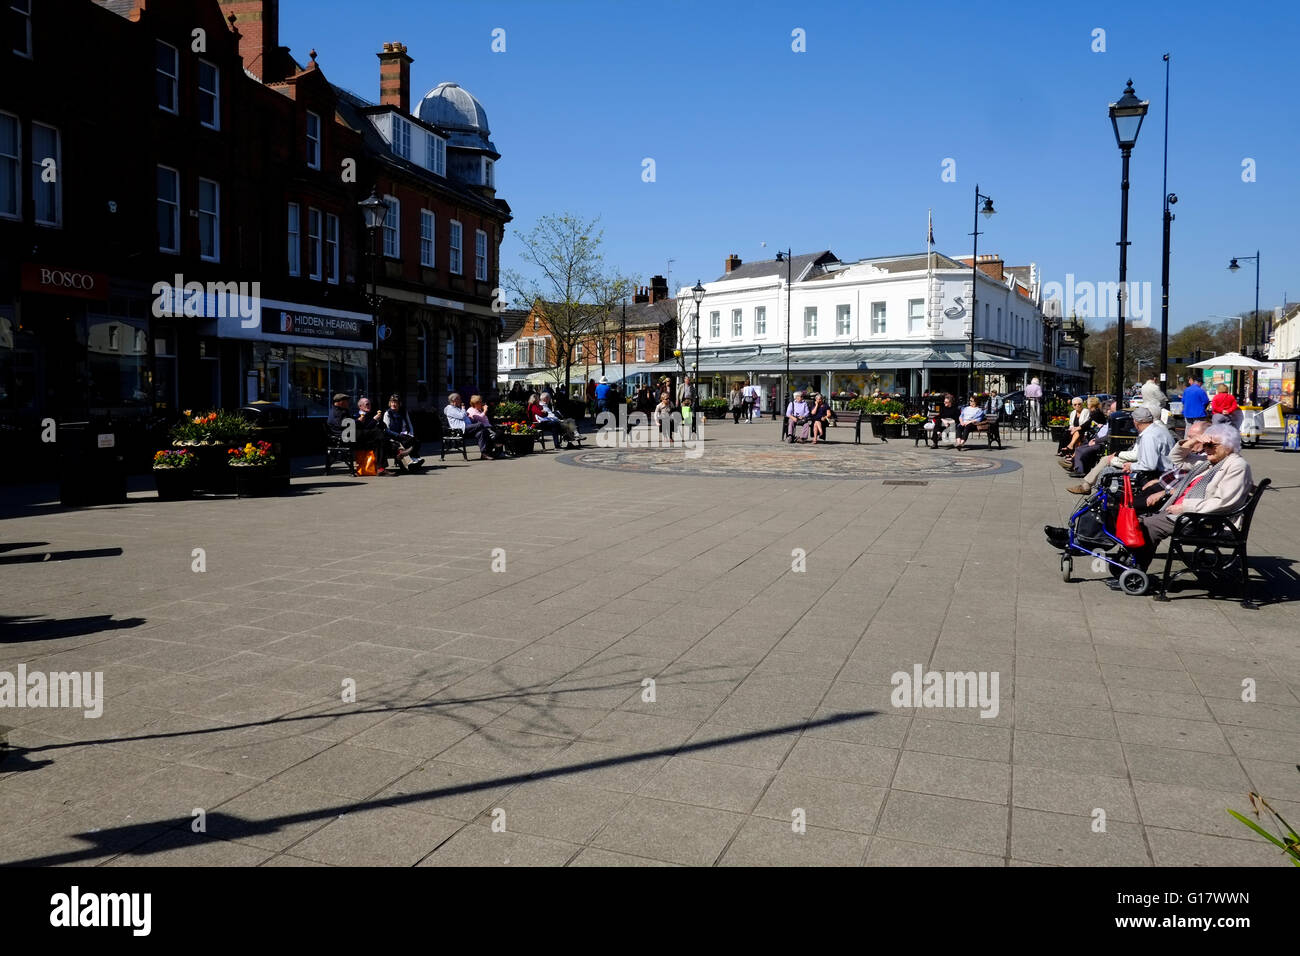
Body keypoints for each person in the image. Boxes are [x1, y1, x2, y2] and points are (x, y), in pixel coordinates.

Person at [1119, 423, 1254, 583]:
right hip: (1195, 515)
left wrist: (1185, 507)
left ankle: (1134, 574)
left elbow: (1223, 502)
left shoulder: (1236, 466)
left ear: (1227, 445)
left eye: (1211, 445)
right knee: (1140, 520)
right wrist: (1194, 440)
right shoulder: (1212, 463)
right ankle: (1128, 568)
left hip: (1210, 521)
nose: (1206, 449)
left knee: (1148, 525)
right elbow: (1175, 458)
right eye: (1204, 445)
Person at [1066, 405, 1174, 495]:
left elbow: (1149, 465)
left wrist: (1129, 465)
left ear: (1136, 422)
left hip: (1157, 474)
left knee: (1107, 464)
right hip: (1163, 470)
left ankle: (1087, 487)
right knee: (1107, 460)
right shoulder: (1159, 429)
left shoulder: (1149, 436)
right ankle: (1086, 485)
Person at [445, 392, 497, 458]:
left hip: (468, 428)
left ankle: (484, 453)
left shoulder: (457, 408)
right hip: (460, 429)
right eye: (459, 399)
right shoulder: (450, 409)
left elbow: (465, 416)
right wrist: (463, 409)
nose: (461, 400)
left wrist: (470, 418)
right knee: (481, 425)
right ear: (454, 400)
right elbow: (461, 416)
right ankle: (491, 434)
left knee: (482, 432)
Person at [382, 394, 424, 468]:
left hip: (404, 435)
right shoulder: (387, 413)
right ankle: (412, 460)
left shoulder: (404, 412)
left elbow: (409, 424)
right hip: (394, 436)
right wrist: (397, 435)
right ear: (390, 403)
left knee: (415, 440)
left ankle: (413, 459)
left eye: (396, 403)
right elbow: (386, 429)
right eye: (392, 402)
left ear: (399, 404)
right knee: (408, 442)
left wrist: (411, 434)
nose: (394, 404)